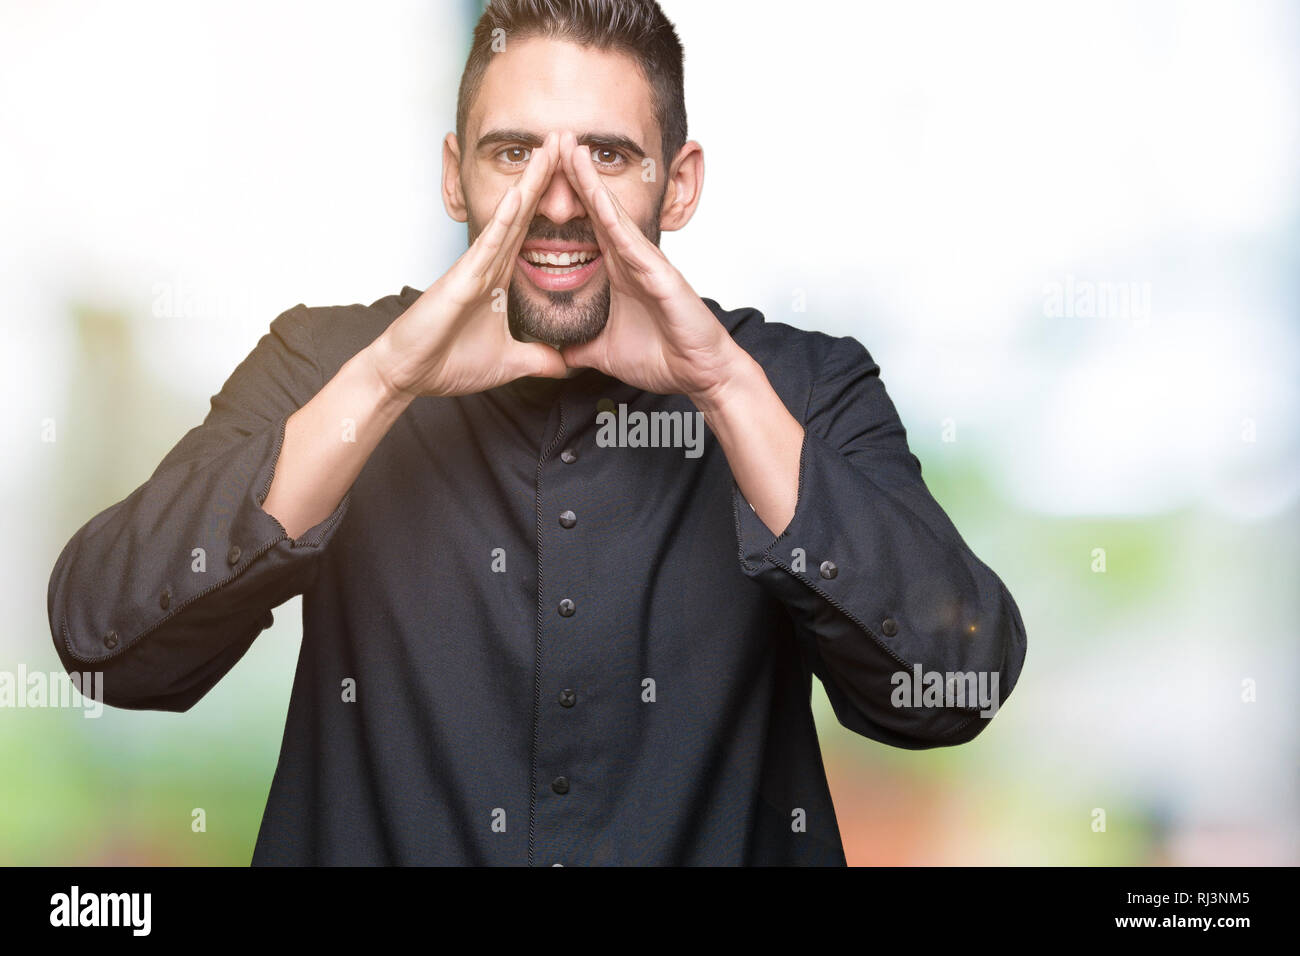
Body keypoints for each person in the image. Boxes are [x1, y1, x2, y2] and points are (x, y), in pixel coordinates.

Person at [46, 0, 1027, 866]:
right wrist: (386, 382)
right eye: (515, 153)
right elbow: (109, 646)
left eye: (606, 155)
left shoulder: (798, 385)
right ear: (452, 174)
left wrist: (724, 386)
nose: (559, 201)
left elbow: (957, 680)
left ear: (678, 185)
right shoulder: (330, 361)